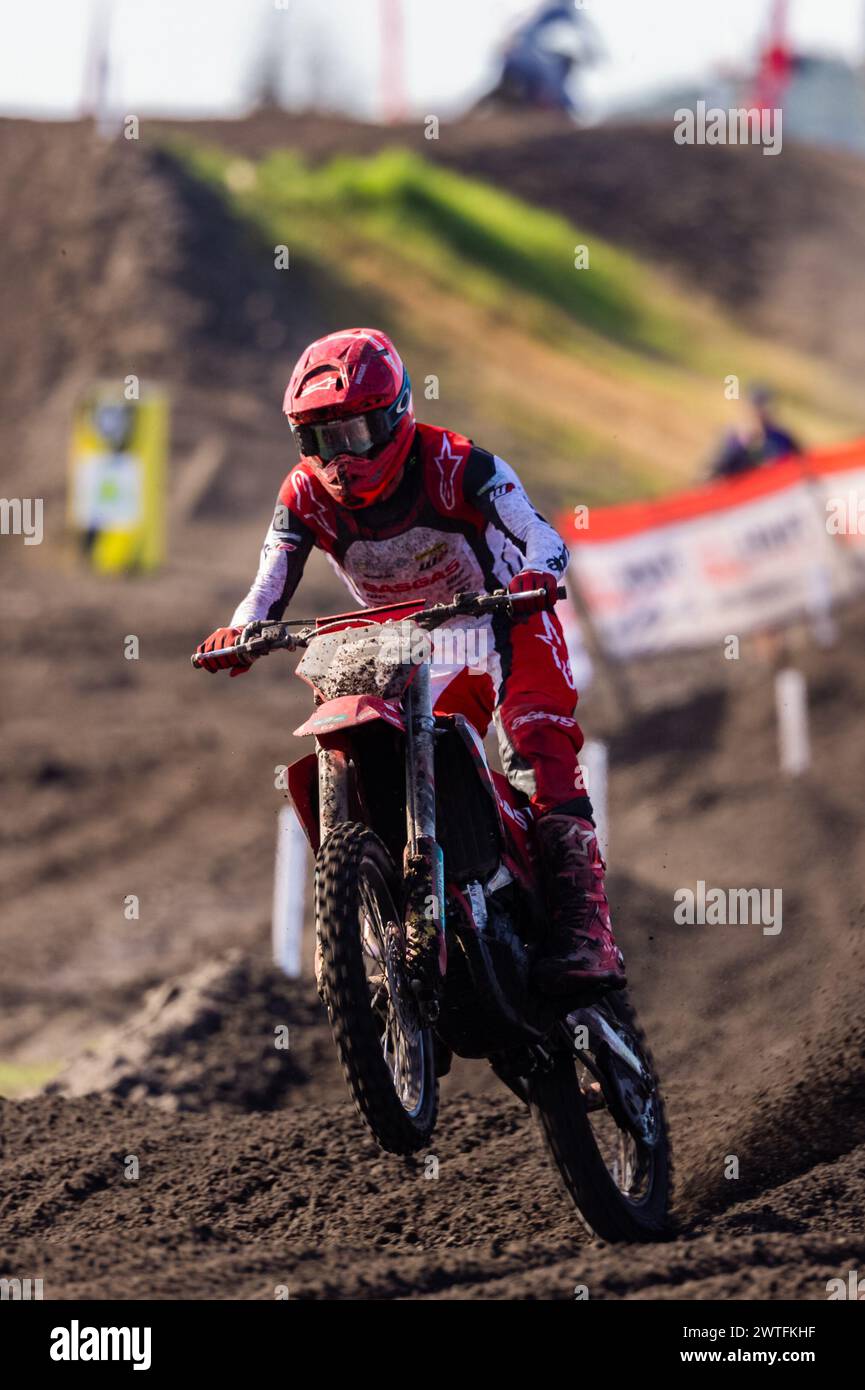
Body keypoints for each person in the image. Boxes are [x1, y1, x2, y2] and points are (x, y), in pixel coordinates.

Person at [196, 328, 624, 997]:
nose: (339, 458)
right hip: (405, 645)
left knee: (538, 746)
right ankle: (405, 918)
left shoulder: (458, 463)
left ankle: (583, 932)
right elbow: (267, 583)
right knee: (382, 755)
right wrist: (241, 632)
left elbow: (539, 533)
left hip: (501, 624)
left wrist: (536, 573)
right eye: (320, 440)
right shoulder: (302, 495)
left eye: (355, 433)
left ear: (396, 414)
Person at [709, 386, 802, 480]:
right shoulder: (734, 439)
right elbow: (716, 472)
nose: (762, 412)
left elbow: (801, 462)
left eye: (766, 406)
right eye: (757, 406)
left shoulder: (781, 438)